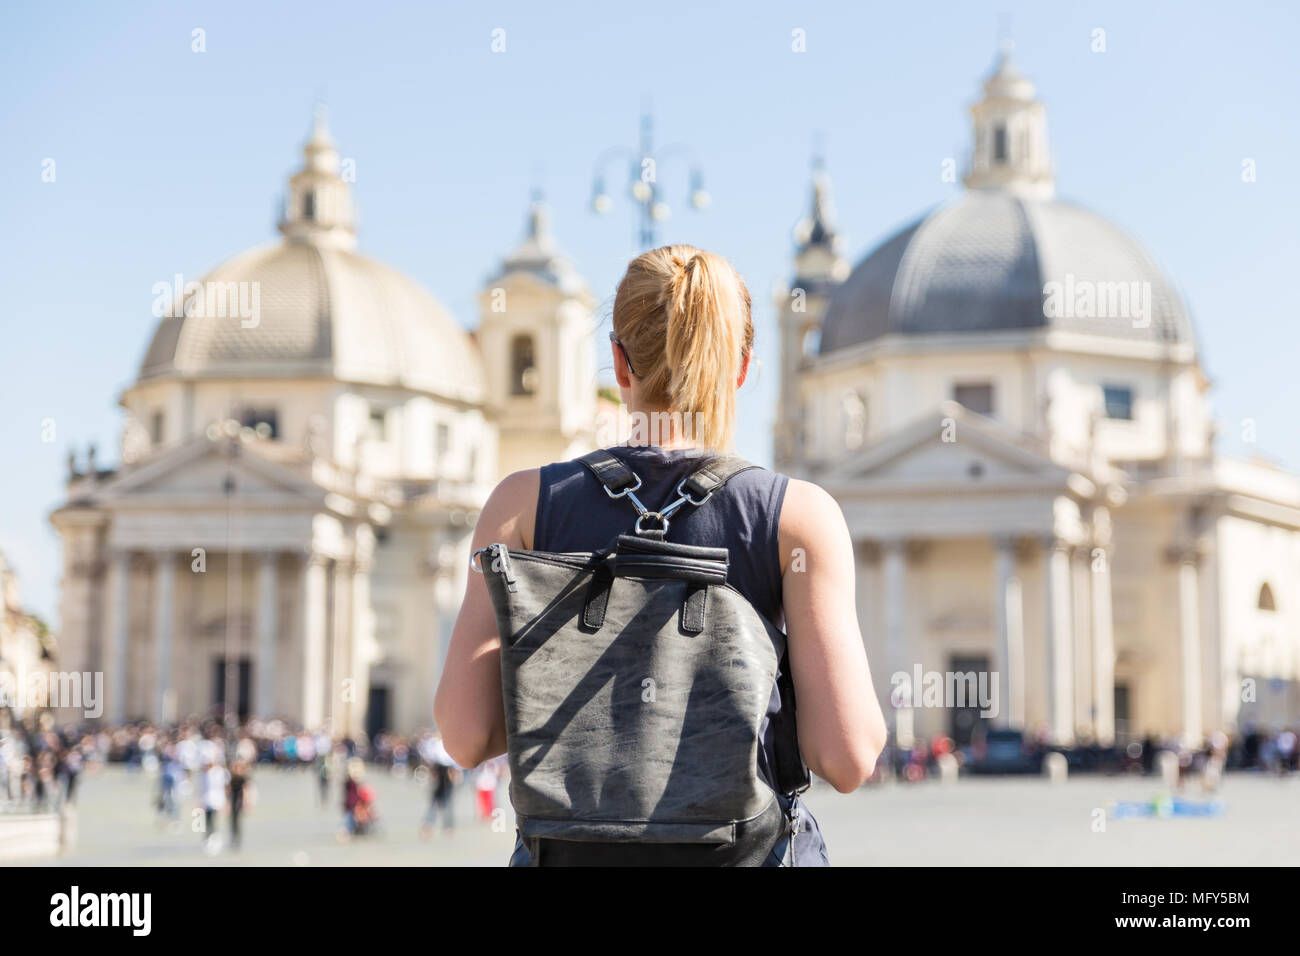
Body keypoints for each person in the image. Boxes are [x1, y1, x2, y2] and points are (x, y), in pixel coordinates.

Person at [434, 245, 887, 866]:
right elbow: (848, 756)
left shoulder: (520, 505)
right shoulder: (798, 516)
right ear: (743, 368)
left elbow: (464, 735)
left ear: (619, 362)